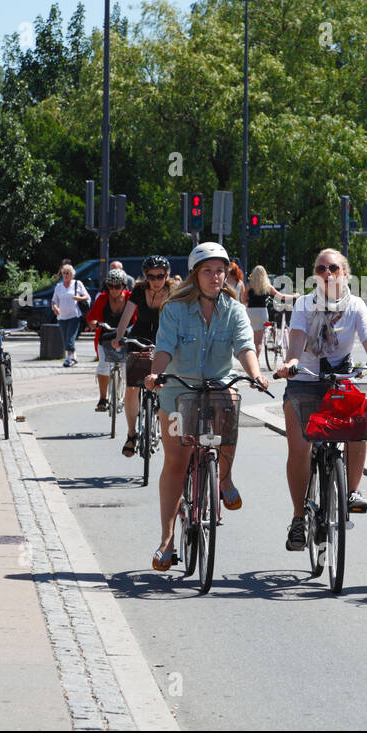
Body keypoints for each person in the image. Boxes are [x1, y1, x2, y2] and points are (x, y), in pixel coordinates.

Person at [144, 243, 269, 570]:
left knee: (230, 404)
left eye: (220, 270)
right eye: (207, 271)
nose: (215, 276)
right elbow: (165, 347)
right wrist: (156, 373)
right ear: (195, 275)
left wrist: (256, 374)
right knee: (176, 460)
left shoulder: (234, 309)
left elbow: (245, 346)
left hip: (216, 386)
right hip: (177, 391)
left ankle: (224, 479)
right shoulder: (174, 307)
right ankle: (167, 541)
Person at [274, 248, 367, 551]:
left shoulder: (355, 305)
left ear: (345, 274)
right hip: (305, 380)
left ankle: (351, 491)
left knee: (358, 426)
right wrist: (291, 362)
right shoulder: (304, 304)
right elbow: (298, 338)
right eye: (321, 268)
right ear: (315, 274)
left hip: (339, 380)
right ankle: (299, 518)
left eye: (334, 268)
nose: (327, 273)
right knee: (300, 448)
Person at [111, 255, 171, 457]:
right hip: (140, 336)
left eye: (160, 276)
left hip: (164, 337)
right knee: (131, 388)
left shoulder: (173, 292)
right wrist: (120, 337)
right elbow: (126, 317)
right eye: (151, 276)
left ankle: (162, 422)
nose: (156, 280)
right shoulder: (138, 290)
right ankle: (131, 434)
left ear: (167, 275)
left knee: (164, 385)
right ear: (146, 276)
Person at [88, 269, 132, 411]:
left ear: (124, 286)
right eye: (110, 286)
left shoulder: (131, 298)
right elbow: (91, 317)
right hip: (106, 337)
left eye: (117, 286)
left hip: (125, 338)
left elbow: (137, 317)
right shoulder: (102, 298)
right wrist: (93, 323)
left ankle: (126, 398)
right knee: (104, 366)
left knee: (128, 369)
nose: (113, 290)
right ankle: (103, 399)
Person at [243, 265, 296, 363]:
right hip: (262, 313)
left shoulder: (249, 285)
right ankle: (255, 361)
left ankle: (249, 360)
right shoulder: (267, 286)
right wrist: (294, 296)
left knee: (250, 339)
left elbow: (243, 300)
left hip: (250, 313)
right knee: (258, 341)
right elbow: (281, 296)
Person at [51, 264, 91, 367]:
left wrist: (79, 298)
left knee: (70, 338)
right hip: (61, 317)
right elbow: (54, 301)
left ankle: (68, 359)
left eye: (67, 273)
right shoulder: (59, 287)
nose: (65, 275)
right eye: (64, 273)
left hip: (74, 316)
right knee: (66, 339)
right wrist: (55, 308)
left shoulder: (77, 284)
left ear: (72, 274)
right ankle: (75, 357)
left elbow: (87, 296)